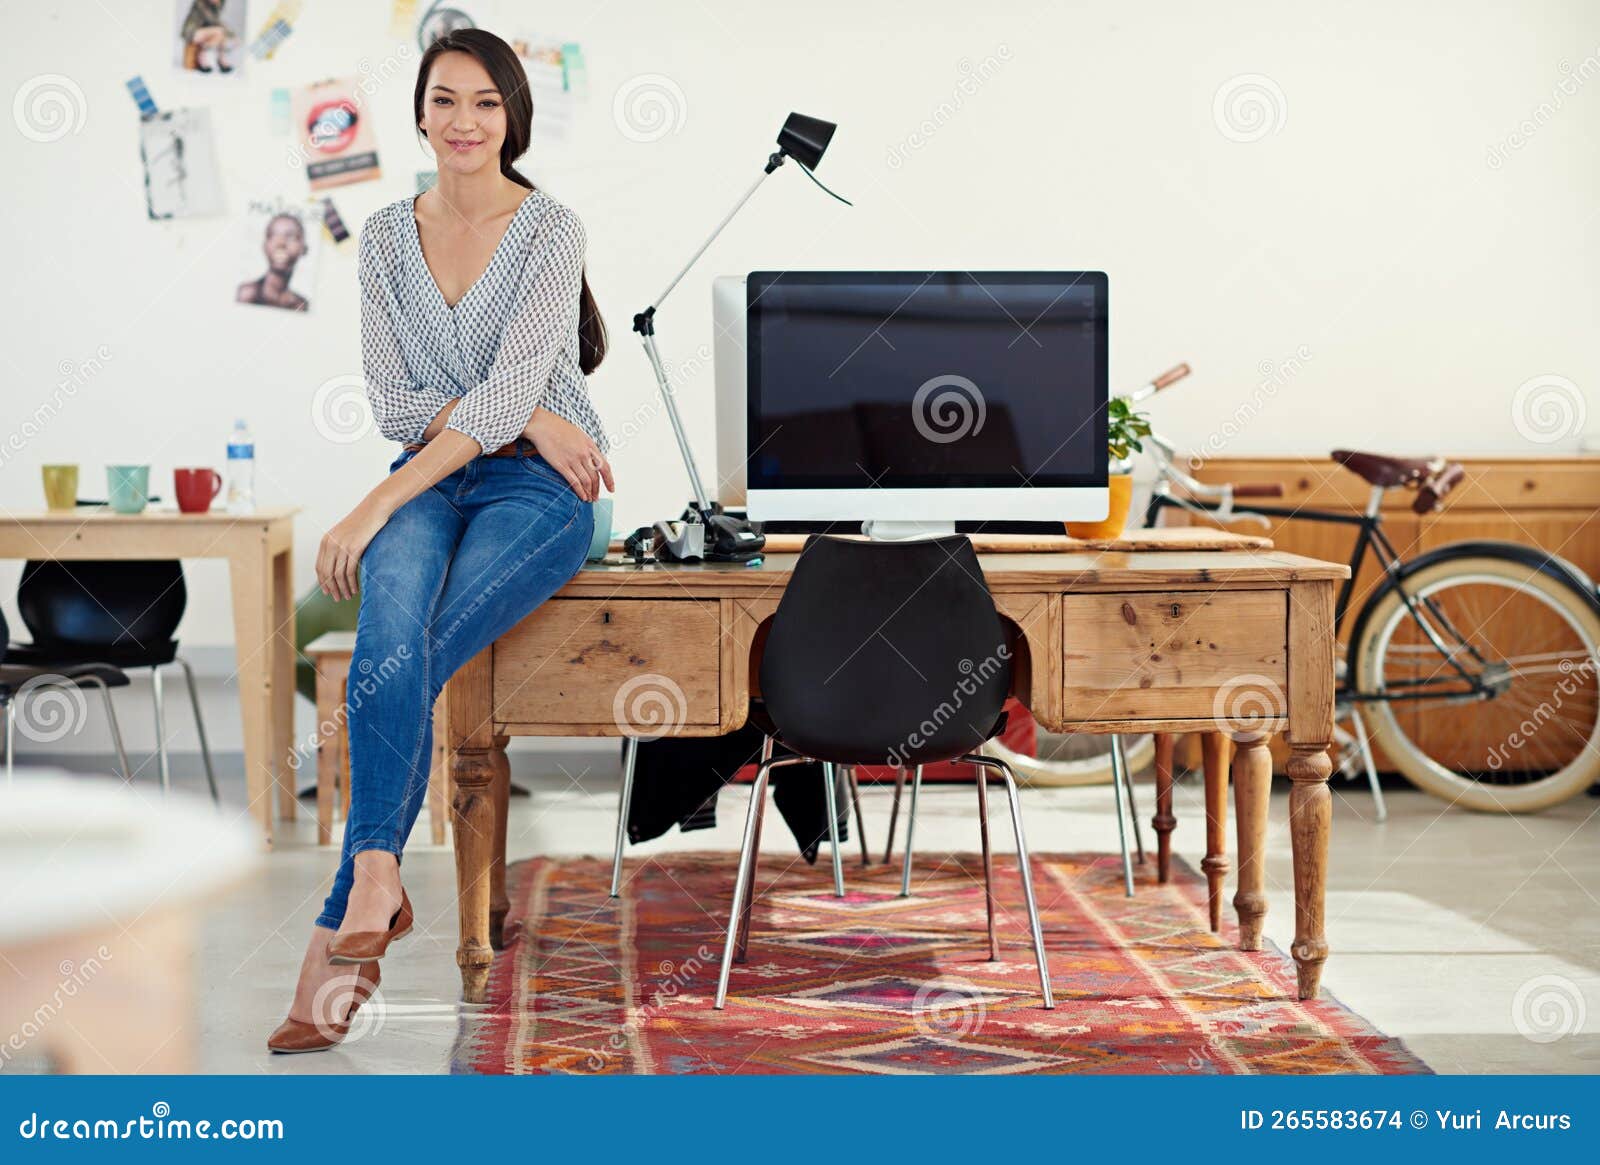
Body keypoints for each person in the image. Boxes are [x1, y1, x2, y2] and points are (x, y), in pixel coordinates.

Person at [268, 27, 614, 1054]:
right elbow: (392, 399)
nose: (465, 121)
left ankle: (341, 933)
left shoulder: (551, 229)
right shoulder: (381, 236)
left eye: (486, 104)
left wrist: (380, 502)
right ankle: (377, 876)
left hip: (543, 490)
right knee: (391, 638)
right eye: (446, 100)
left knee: (400, 657)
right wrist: (513, 408)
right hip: (433, 471)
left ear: (514, 118)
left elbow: (505, 392)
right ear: (419, 112)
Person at [236, 213, 310, 311]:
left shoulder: (301, 305)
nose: (280, 243)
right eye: (272, 235)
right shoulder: (245, 294)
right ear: (264, 246)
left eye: (291, 236)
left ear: (304, 249)